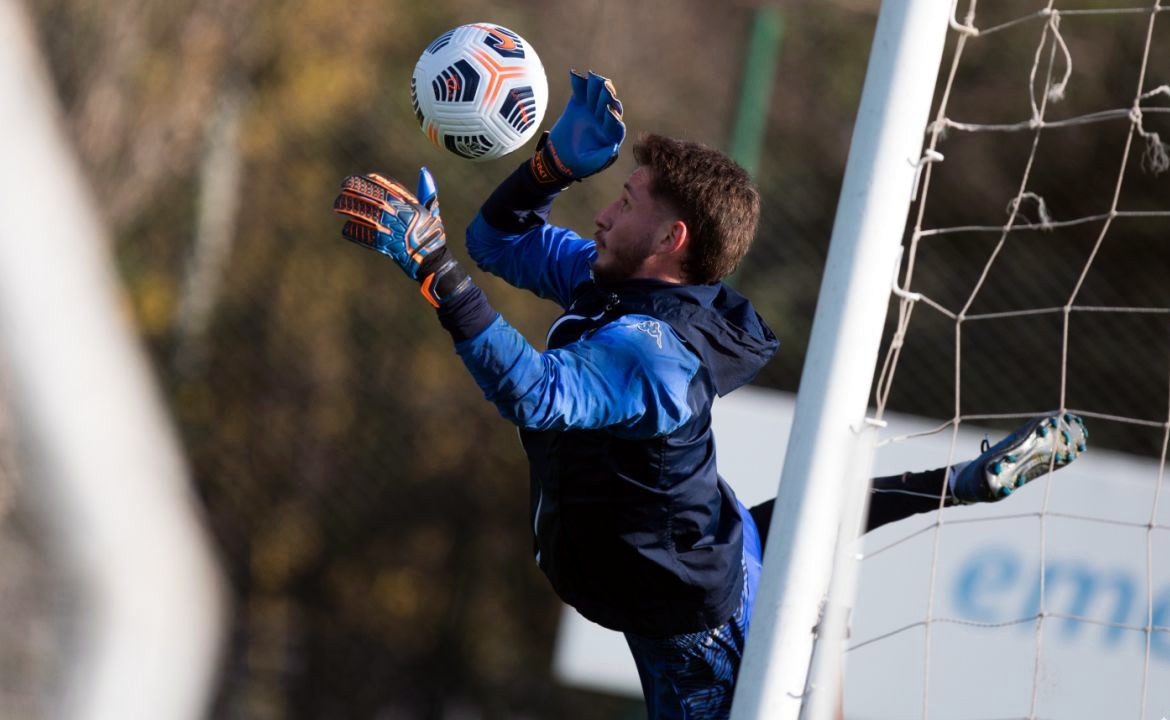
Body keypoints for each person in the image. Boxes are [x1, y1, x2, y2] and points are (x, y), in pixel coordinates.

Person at [332, 70, 1088, 720]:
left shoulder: (653, 354)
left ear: (671, 240)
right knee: (768, 533)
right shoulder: (614, 285)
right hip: (682, 563)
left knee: (764, 559)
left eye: (625, 201)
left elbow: (534, 393)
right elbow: (498, 242)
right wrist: (550, 166)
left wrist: (431, 267)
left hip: (695, 632)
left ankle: (955, 488)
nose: (601, 212)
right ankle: (958, 484)